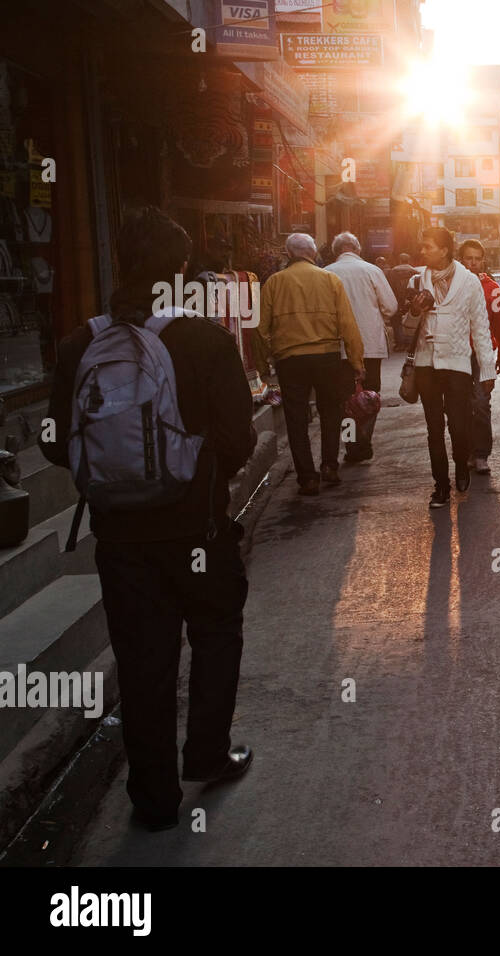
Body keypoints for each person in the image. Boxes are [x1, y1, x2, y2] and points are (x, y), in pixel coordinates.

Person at [40, 206, 256, 832]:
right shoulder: (204, 338)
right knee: (215, 631)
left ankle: (154, 797)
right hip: (198, 532)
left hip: (121, 541)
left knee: (142, 660)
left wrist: (110, 467)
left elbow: (54, 441)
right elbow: (237, 438)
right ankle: (208, 754)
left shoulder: (80, 343)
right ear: (180, 272)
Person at [255, 233, 364, 495]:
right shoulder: (329, 279)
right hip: (326, 356)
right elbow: (348, 325)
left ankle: (307, 477)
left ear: (288, 254)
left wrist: (262, 366)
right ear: (313, 254)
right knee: (331, 412)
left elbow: (260, 330)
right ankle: (329, 465)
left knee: (296, 417)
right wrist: (356, 361)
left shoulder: (274, 283)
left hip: (289, 360)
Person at [403, 226, 496, 508]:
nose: (423, 251)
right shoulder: (417, 280)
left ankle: (460, 465)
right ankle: (440, 487)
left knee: (459, 425)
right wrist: (415, 311)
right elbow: (405, 330)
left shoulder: (469, 282)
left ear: (444, 250)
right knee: (434, 429)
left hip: (457, 364)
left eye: (428, 246)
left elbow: (480, 326)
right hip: (425, 364)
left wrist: (487, 369)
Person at [325, 232, 398, 462]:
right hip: (370, 346)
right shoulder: (372, 270)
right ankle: (364, 440)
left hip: (339, 348)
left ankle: (351, 446)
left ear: (336, 251)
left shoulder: (326, 273)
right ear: (357, 249)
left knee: (345, 401)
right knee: (370, 396)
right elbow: (391, 307)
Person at [458, 239, 500, 473]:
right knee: (459, 406)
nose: (473, 262)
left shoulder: (492, 288)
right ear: (461, 259)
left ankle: (481, 455)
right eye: (469, 258)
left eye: (477, 258)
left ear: (483, 260)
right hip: (456, 354)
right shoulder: (452, 285)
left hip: (483, 353)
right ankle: (466, 452)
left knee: (480, 403)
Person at [385, 252, 419, 333]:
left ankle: (400, 342)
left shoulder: (392, 273)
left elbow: (389, 288)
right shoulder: (416, 273)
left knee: (396, 323)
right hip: (410, 303)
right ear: (409, 261)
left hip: (396, 301)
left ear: (399, 260)